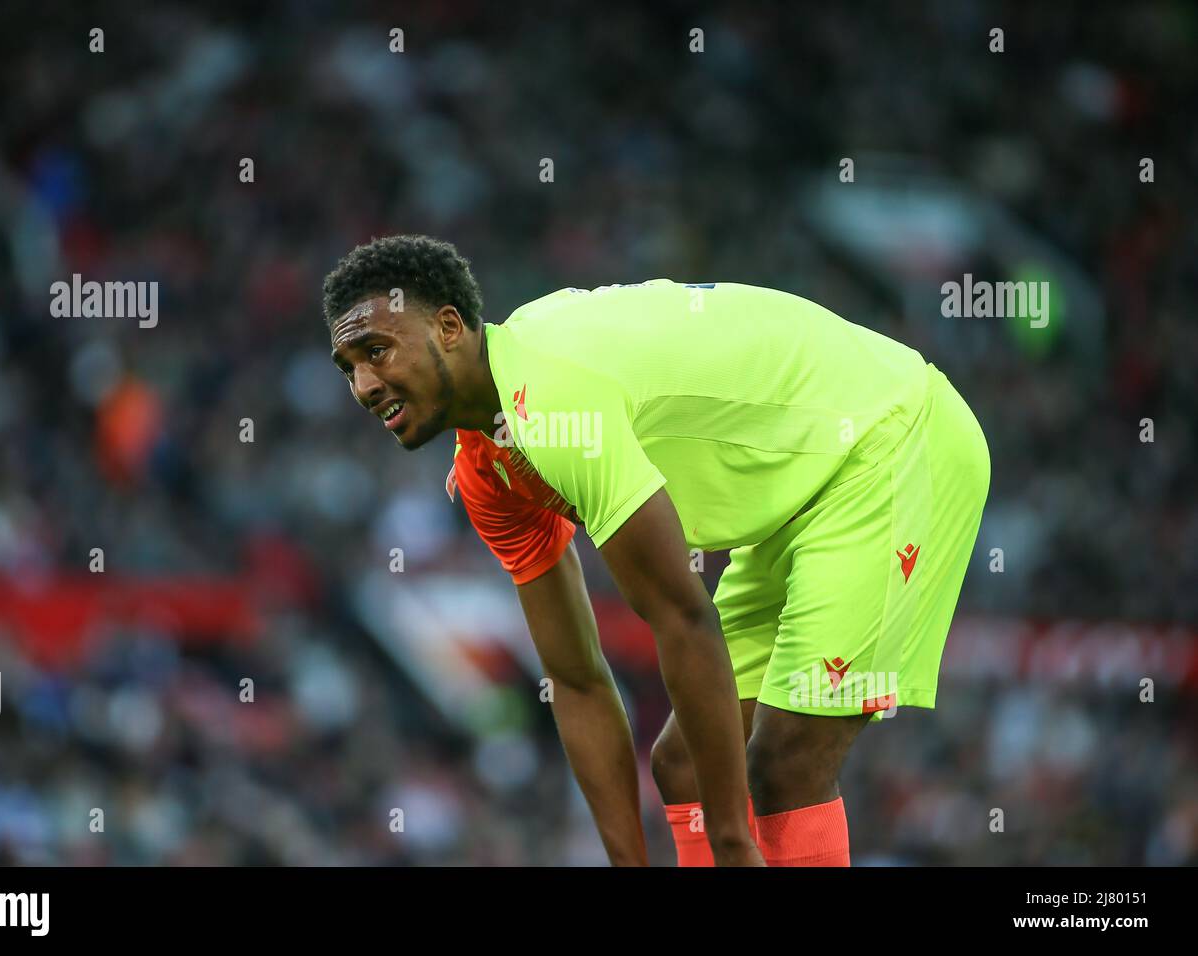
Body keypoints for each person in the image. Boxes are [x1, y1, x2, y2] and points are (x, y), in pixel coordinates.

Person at [323, 234, 991, 867]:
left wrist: (733, 844)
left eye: (377, 352)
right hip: (798, 498)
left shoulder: (553, 402)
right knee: (684, 766)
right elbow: (579, 682)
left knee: (786, 762)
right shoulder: (487, 475)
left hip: (894, 440)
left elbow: (681, 618)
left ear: (447, 328)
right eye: (349, 368)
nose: (364, 386)